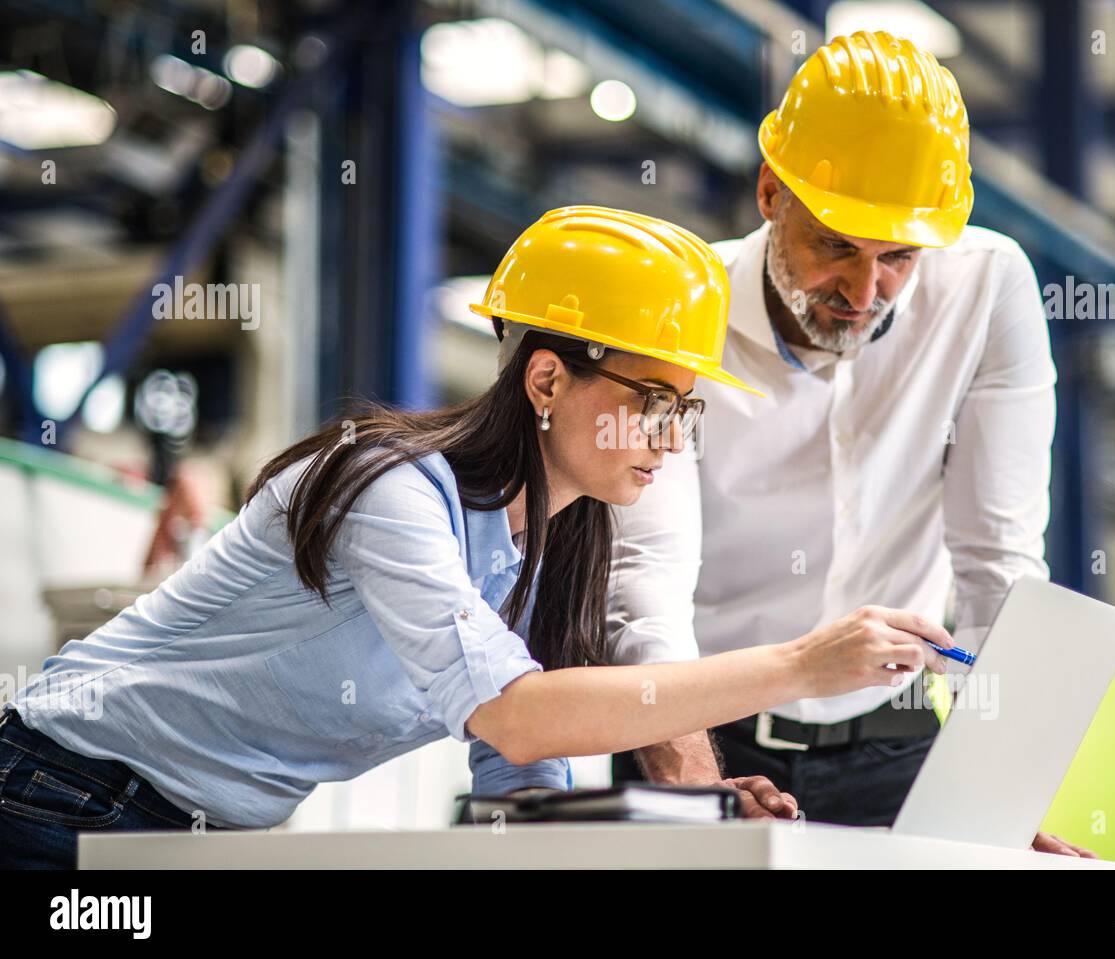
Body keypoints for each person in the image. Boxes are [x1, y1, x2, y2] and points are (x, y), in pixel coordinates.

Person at [0, 206, 954, 869]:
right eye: (653, 402)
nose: (671, 439)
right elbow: (516, 713)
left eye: (687, 410)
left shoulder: (549, 558)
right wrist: (796, 665)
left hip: (190, 828)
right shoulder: (391, 489)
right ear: (546, 383)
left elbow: (523, 780)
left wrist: (690, 814)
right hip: (58, 795)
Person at [488, 34, 1093, 856]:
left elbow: (1000, 560)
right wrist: (691, 779)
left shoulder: (987, 293)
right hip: (700, 720)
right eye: (835, 244)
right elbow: (644, 584)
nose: (862, 291)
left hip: (898, 735)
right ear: (771, 192)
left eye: (898, 258)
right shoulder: (680, 318)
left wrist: (1000, 791)